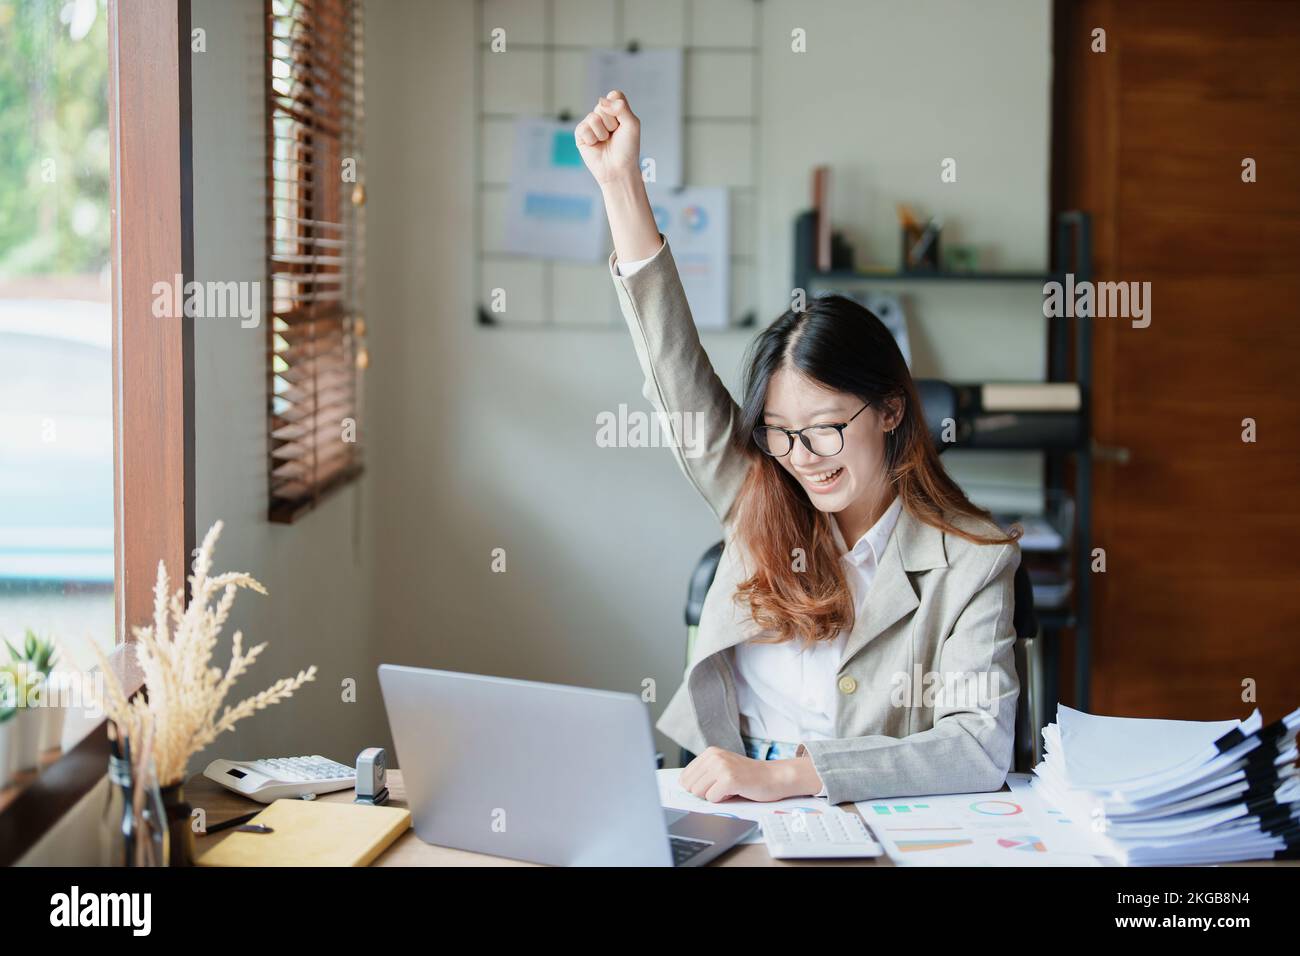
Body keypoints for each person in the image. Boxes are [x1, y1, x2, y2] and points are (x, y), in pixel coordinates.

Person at [576, 91, 1022, 804]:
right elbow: (673, 367)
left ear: (889, 411)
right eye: (781, 432)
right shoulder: (756, 487)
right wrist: (620, 184)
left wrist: (788, 777)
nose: (803, 455)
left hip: (865, 811)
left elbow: (977, 744)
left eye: (824, 427)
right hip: (725, 803)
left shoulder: (972, 558)